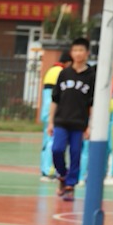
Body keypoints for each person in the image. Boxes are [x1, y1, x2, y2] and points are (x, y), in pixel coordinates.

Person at [48, 38, 97, 201]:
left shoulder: (91, 76)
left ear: (87, 53)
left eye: (81, 50)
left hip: (79, 123)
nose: (78, 53)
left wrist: (90, 125)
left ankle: (70, 186)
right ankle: (62, 175)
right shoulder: (64, 73)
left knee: (76, 154)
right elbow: (55, 99)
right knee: (57, 150)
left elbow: (92, 103)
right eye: (75, 50)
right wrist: (50, 121)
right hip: (61, 120)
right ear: (71, 52)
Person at [39, 51, 73, 180]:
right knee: (53, 142)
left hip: (46, 112)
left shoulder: (51, 70)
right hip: (53, 112)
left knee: (46, 142)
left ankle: (45, 169)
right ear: (68, 62)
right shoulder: (61, 72)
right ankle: (50, 170)